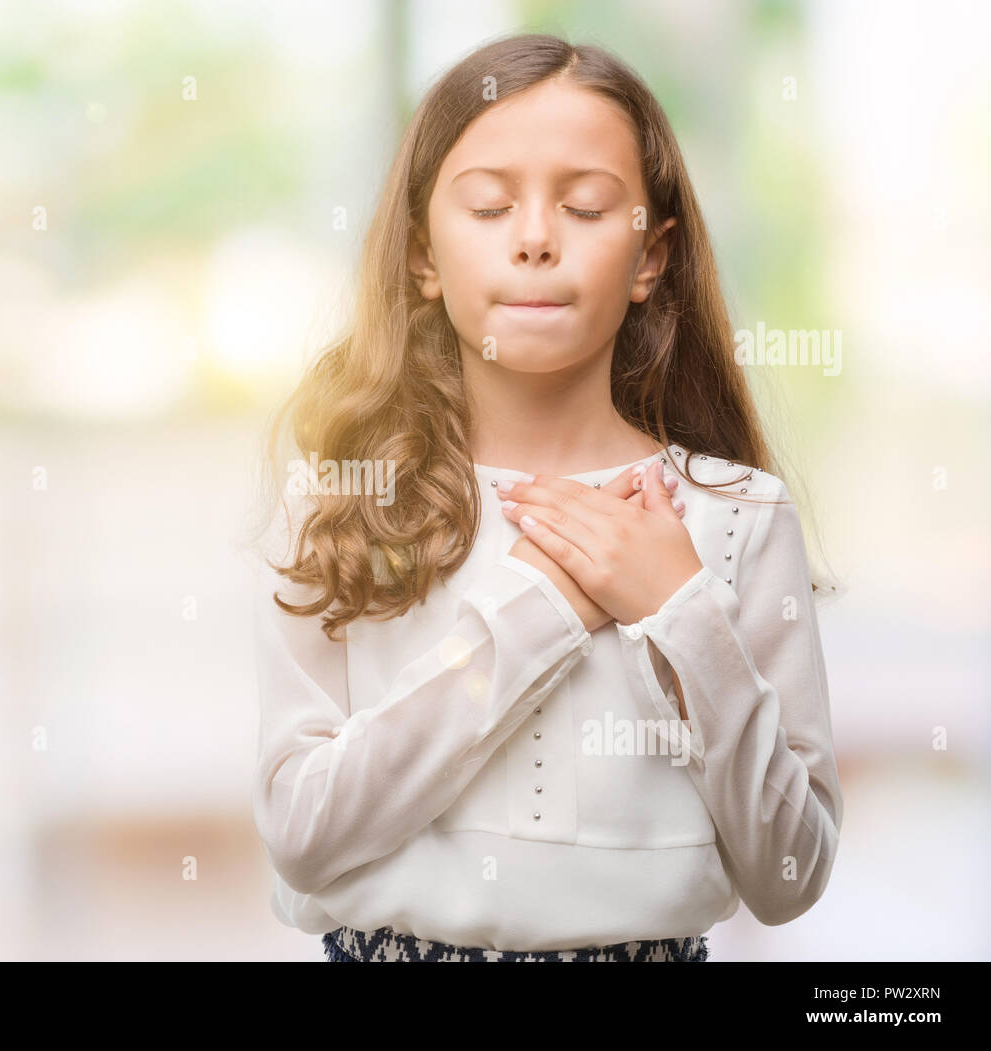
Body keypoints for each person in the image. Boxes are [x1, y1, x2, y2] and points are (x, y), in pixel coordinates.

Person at [247, 32, 843, 962]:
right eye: (489, 206)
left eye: (586, 206)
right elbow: (303, 833)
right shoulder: (338, 508)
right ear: (422, 257)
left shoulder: (739, 517)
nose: (533, 237)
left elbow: (791, 877)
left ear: (652, 257)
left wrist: (681, 613)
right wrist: (540, 611)